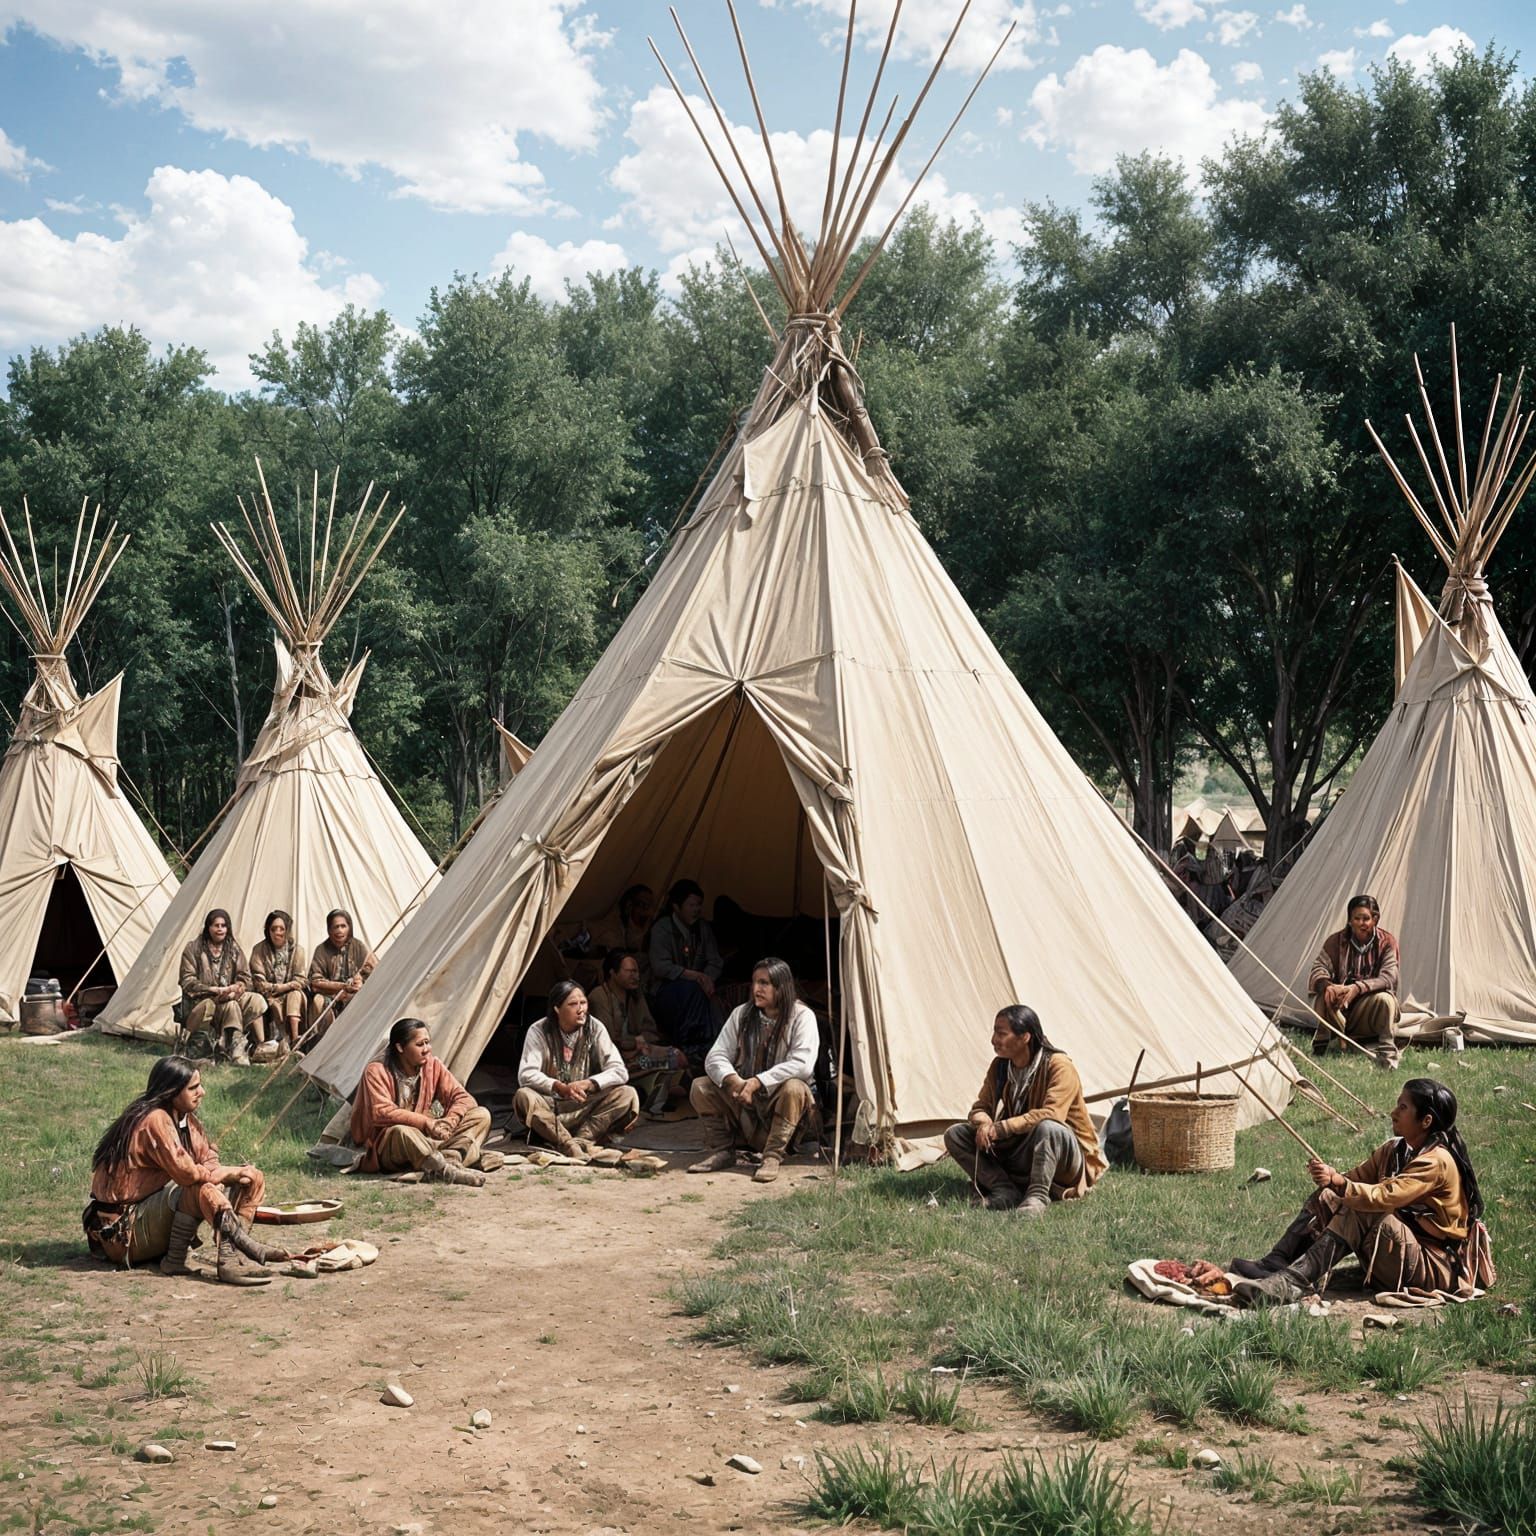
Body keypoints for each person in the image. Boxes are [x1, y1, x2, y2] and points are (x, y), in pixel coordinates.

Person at [1232, 1078, 1482, 1305]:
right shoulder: (1394, 1150)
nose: (1394, 1113)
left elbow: (1384, 1196)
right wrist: (1331, 1179)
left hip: (1432, 1268)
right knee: (1328, 1196)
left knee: (1361, 1209)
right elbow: (1354, 1182)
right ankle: (1277, 1262)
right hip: (1402, 1254)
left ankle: (1290, 1284)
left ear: (1426, 1121)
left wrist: (1341, 1184)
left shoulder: (1436, 1161)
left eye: (1403, 1108)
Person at [83, 1055, 284, 1285]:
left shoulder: (185, 1119)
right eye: (193, 1088)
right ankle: (230, 1256)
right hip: (121, 1235)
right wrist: (222, 1175)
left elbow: (208, 1160)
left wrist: (234, 1174)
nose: (203, 1092)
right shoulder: (154, 1119)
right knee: (198, 1188)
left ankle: (232, 1253)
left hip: (142, 1220)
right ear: (171, 1091)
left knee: (251, 1177)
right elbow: (187, 1174)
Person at [942, 1005, 1106, 1215]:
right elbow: (981, 1107)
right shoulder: (1000, 1066)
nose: (994, 1040)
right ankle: (1004, 1190)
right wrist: (984, 1124)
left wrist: (1001, 1128)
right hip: (1023, 1147)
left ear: (1025, 1037)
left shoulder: (1059, 1065)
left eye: (1002, 1034)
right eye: (994, 1032)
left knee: (1049, 1128)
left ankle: (1037, 1196)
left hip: (1064, 1157)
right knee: (956, 1134)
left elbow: (1053, 1114)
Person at [688, 956, 818, 1184]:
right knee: (701, 1087)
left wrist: (757, 1082)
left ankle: (773, 1156)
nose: (756, 989)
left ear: (781, 987)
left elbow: (802, 1064)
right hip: (746, 1103)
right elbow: (715, 1056)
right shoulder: (742, 1014)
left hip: (784, 1108)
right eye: (755, 982)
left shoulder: (802, 1017)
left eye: (764, 983)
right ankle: (723, 1150)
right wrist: (734, 1081)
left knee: (795, 1088)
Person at [350, 1019, 495, 1186]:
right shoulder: (376, 1071)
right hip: (389, 1144)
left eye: (428, 1042)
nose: (427, 1049)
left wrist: (450, 1121)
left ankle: (448, 1160)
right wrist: (426, 1122)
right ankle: (446, 1170)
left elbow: (463, 1098)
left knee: (481, 1115)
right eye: (420, 1044)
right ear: (400, 1048)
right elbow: (381, 1112)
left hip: (424, 1139)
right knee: (401, 1131)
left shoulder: (432, 1065)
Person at [514, 980, 639, 1159]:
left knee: (627, 1093)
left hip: (584, 1104)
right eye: (573, 1004)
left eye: (583, 1003)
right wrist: (559, 1086)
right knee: (524, 1096)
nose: (581, 1009)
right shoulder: (539, 1030)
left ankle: (582, 1140)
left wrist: (589, 1084)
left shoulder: (595, 1028)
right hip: (552, 1107)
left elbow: (619, 1071)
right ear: (557, 1009)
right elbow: (526, 1074)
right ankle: (566, 1143)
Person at [589, 948, 687, 1115]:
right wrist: (635, 1042)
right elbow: (608, 1039)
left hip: (637, 1057)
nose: (636, 976)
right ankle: (646, 1092)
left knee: (677, 1058)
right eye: (630, 972)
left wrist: (639, 1043)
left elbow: (650, 1031)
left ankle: (652, 1090)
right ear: (613, 973)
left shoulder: (634, 995)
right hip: (613, 1062)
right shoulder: (599, 996)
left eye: (637, 972)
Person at [1310, 894, 1401, 1067]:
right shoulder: (1336, 941)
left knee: (1386, 1000)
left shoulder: (1387, 942)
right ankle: (1321, 1046)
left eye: (1366, 918)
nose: (1361, 923)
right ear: (1350, 920)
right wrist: (1329, 986)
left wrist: (1357, 988)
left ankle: (1387, 1053)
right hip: (1341, 1008)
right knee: (1323, 996)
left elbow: (1389, 978)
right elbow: (1318, 968)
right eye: (1356, 918)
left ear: (1375, 919)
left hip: (1369, 1009)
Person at [649, 878, 724, 1060]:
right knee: (692, 989)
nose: (696, 910)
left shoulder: (702, 929)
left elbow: (715, 961)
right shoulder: (662, 928)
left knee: (713, 999)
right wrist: (696, 977)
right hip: (666, 992)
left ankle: (716, 1049)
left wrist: (707, 980)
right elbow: (660, 967)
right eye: (691, 905)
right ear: (676, 906)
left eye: (699, 905)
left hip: (699, 990)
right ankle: (691, 1048)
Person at [179, 909, 266, 1064]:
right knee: (225, 1006)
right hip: (202, 1002)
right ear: (208, 928)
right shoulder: (193, 949)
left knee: (256, 1000)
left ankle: (258, 1046)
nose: (220, 929)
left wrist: (236, 989)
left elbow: (245, 976)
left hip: (227, 997)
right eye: (216, 925)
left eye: (223, 925)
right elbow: (187, 981)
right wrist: (213, 990)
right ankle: (213, 1048)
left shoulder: (232, 948)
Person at [308, 909, 376, 1040]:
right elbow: (316, 982)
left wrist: (360, 981)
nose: (339, 931)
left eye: (343, 926)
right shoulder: (321, 950)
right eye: (335, 927)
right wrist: (342, 986)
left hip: (353, 995)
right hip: (330, 995)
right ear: (329, 930)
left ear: (349, 928)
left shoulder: (358, 946)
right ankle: (326, 1041)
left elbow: (374, 970)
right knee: (318, 1001)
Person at [249, 909, 308, 1058]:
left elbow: (300, 980)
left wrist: (287, 988)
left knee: (294, 995)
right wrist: (285, 986)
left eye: (281, 929)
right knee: (274, 1003)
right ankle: (273, 1045)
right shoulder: (259, 950)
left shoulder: (297, 951)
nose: (277, 933)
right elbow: (260, 983)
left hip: (290, 996)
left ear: (287, 930)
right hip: (269, 995)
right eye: (273, 929)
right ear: (268, 931)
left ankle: (295, 1041)